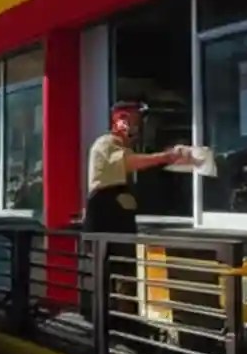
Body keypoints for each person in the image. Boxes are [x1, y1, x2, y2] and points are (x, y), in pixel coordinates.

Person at [84, 101, 196, 321]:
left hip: (120, 223)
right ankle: (106, 327)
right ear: (121, 120)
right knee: (109, 276)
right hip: (104, 221)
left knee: (126, 276)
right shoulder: (106, 143)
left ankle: (125, 324)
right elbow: (129, 163)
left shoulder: (125, 147)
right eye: (135, 120)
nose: (139, 126)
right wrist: (165, 157)